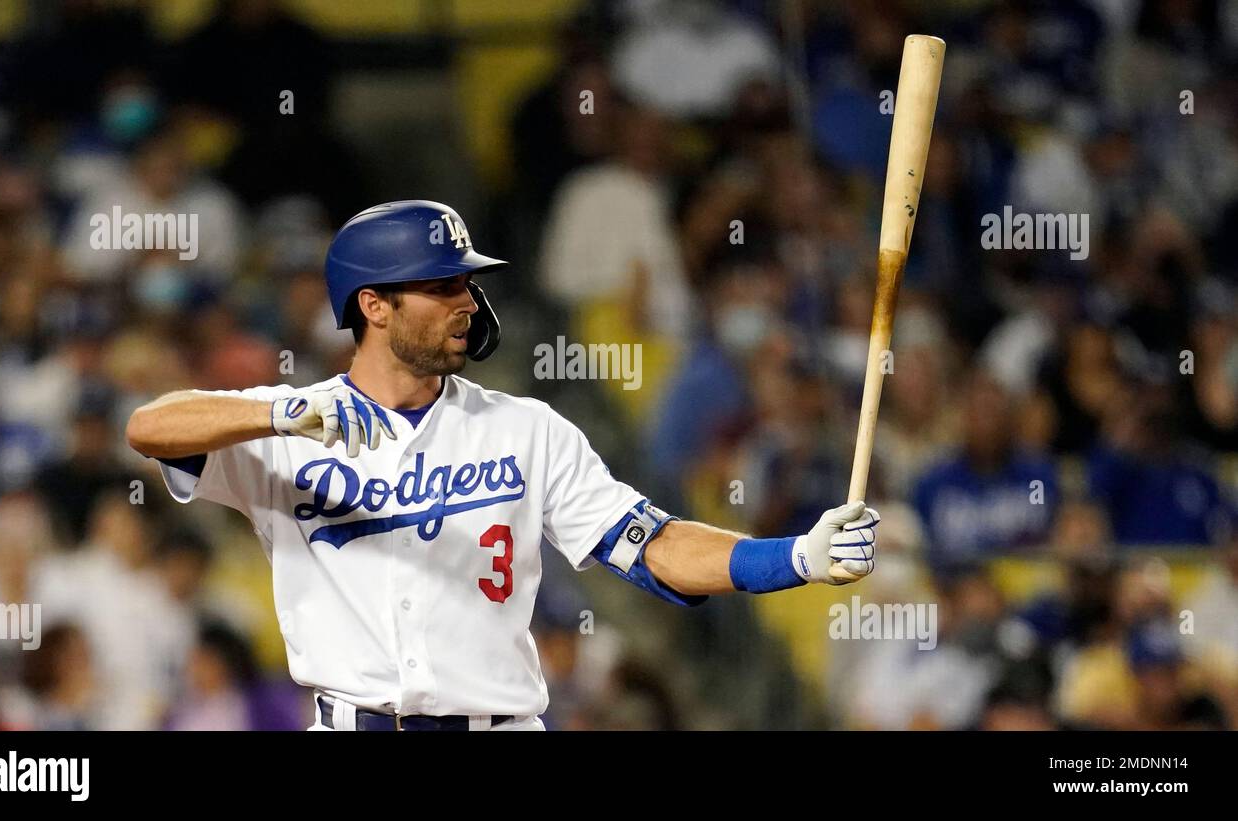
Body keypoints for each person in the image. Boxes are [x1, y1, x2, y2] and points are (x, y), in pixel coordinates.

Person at [126, 200, 880, 731]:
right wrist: (276, 411)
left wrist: (797, 556)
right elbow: (149, 427)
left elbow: (653, 547)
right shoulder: (292, 427)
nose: (466, 300)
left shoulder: (526, 429)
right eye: (442, 284)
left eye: (467, 282)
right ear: (375, 305)